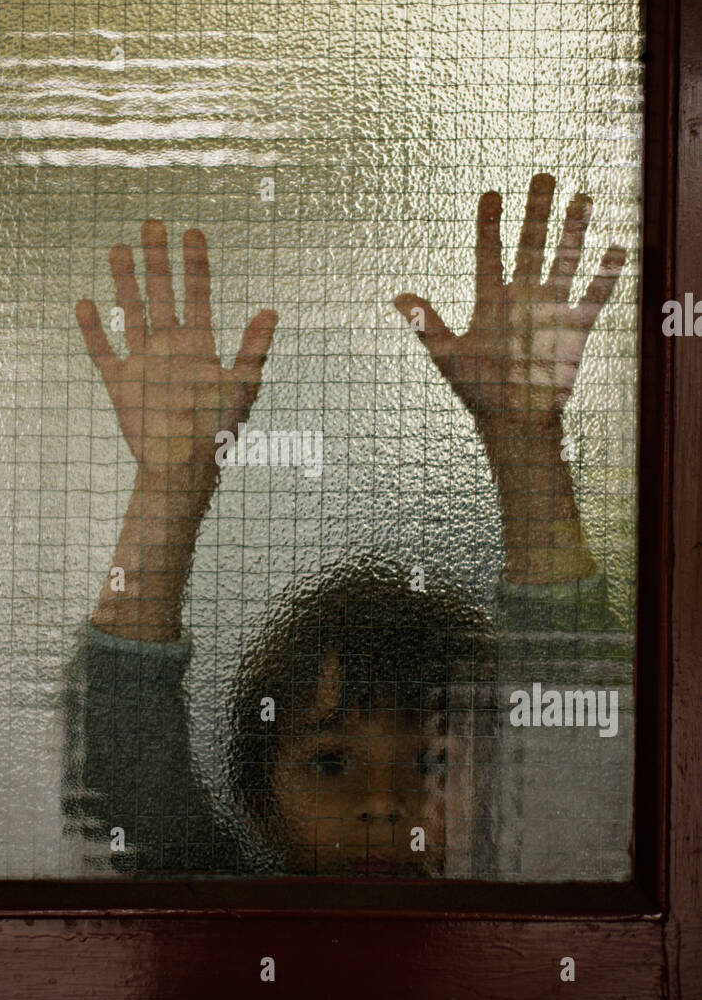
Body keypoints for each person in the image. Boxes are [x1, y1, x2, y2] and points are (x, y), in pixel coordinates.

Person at [61, 173, 633, 879]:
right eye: (331, 761)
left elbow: (569, 734)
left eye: (431, 761)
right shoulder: (224, 911)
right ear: (257, 801)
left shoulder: (536, 892)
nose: (383, 806)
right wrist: (171, 485)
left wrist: (527, 445)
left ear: (502, 785)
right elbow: (127, 776)